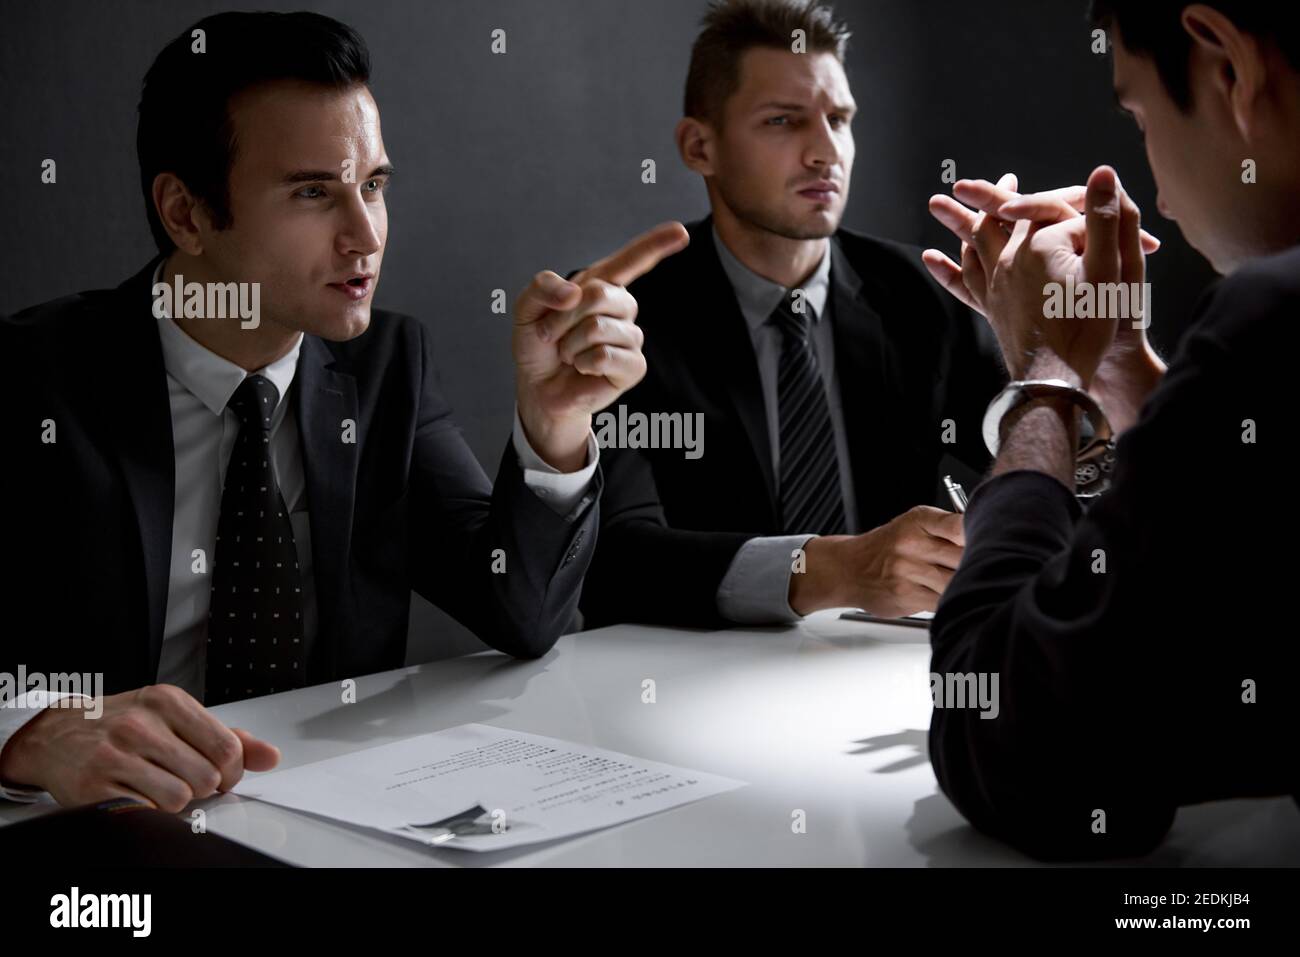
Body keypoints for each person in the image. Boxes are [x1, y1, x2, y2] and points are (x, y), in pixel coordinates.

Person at [0, 11, 686, 811]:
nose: (365, 235)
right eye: (312, 193)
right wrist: (28, 733)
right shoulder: (31, 378)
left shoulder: (385, 366)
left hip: (321, 821)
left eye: (373, 187)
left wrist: (555, 424)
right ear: (186, 213)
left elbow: (522, 614)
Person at [922, 0, 1300, 859]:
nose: (1157, 192)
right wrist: (1118, 364)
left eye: (1140, 115)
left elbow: (1015, 744)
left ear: (1229, 67)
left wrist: (1046, 374)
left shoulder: (1271, 317)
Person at [580, 0, 1003, 630]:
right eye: (783, 120)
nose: (825, 151)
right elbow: (614, 560)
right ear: (700, 146)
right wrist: (833, 571)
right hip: (690, 672)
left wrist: (1059, 349)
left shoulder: (930, 295)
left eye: (840, 119)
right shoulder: (626, 317)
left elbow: (1052, 481)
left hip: (887, 665)